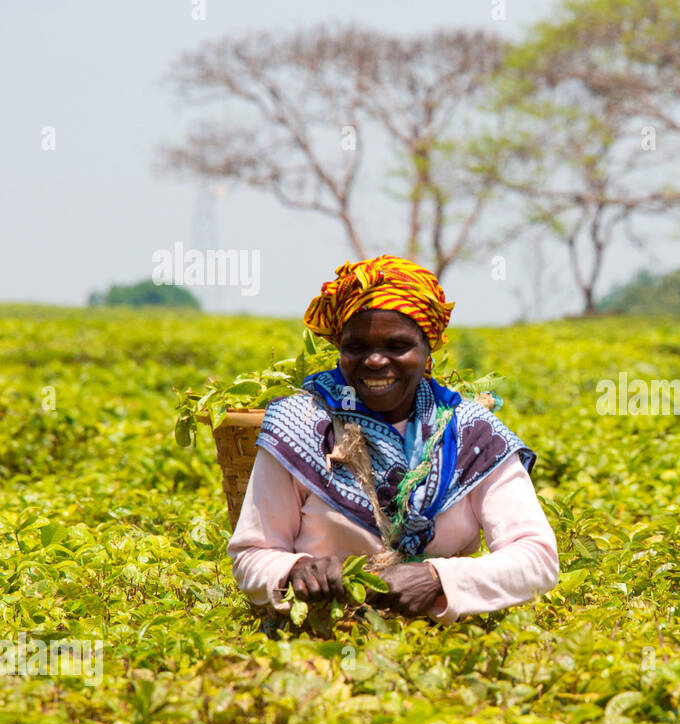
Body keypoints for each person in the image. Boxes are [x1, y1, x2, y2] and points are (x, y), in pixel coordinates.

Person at [228, 255, 558, 625]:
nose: (374, 361)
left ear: (427, 349)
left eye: (397, 346)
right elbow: (252, 555)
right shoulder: (301, 426)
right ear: (339, 348)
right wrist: (294, 570)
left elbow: (537, 559)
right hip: (318, 648)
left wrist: (439, 578)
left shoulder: (470, 433)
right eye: (356, 347)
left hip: (446, 649)